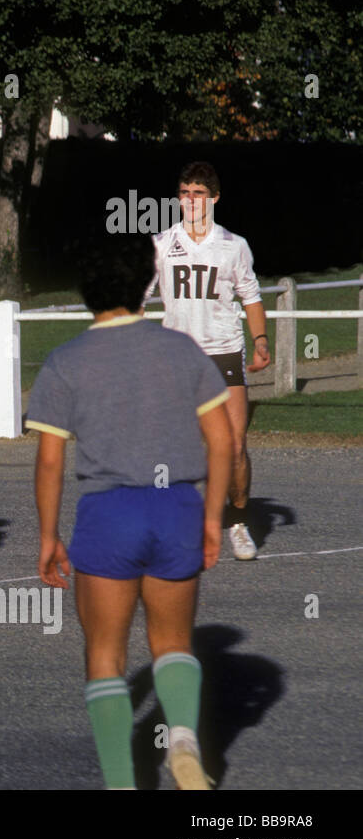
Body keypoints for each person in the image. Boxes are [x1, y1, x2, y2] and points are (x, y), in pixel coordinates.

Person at [28, 233, 232, 789]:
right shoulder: (182, 350)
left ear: (85, 289)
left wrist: (49, 536)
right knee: (171, 643)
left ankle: (122, 783)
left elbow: (50, 462)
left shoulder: (65, 361)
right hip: (176, 511)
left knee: (106, 655)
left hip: (109, 514)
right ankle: (184, 741)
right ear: (147, 283)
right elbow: (223, 441)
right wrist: (212, 517)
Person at [149, 162, 268, 559]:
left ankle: (237, 521)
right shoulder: (162, 242)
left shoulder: (234, 245)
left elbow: (250, 296)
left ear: (214, 198)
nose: (191, 200)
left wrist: (261, 341)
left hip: (224, 354)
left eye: (199, 193)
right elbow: (135, 294)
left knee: (234, 446)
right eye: (184, 192)